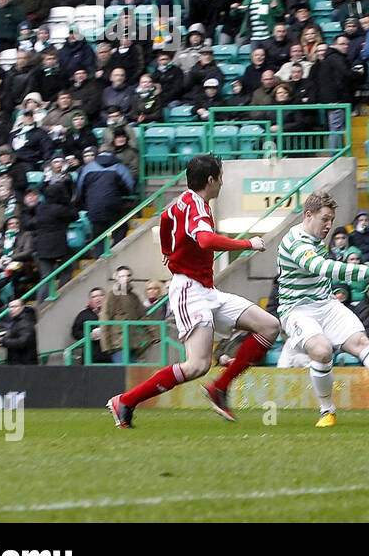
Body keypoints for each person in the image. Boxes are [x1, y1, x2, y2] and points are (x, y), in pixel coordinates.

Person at [107, 155, 280, 429]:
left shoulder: (183, 201)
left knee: (269, 326)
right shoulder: (197, 207)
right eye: (220, 177)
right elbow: (205, 240)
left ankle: (219, 388)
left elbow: (164, 219)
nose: (222, 182)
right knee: (197, 365)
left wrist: (166, 250)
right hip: (189, 290)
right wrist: (248, 243)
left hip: (206, 289)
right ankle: (126, 401)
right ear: (211, 180)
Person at [276, 192, 369, 426]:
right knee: (322, 350)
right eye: (325, 219)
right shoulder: (295, 241)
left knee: (361, 343)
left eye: (332, 219)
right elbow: (321, 267)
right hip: (297, 309)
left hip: (325, 303)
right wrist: (368, 271)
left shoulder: (315, 236)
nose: (329, 225)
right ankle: (327, 411)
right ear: (308, 215)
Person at [0, 299, 39, 365]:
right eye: (10, 307)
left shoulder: (25, 322)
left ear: (22, 307)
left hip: (24, 364)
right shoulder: (17, 321)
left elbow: (22, 342)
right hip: (19, 362)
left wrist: (4, 341)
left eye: (15, 306)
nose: (12, 309)